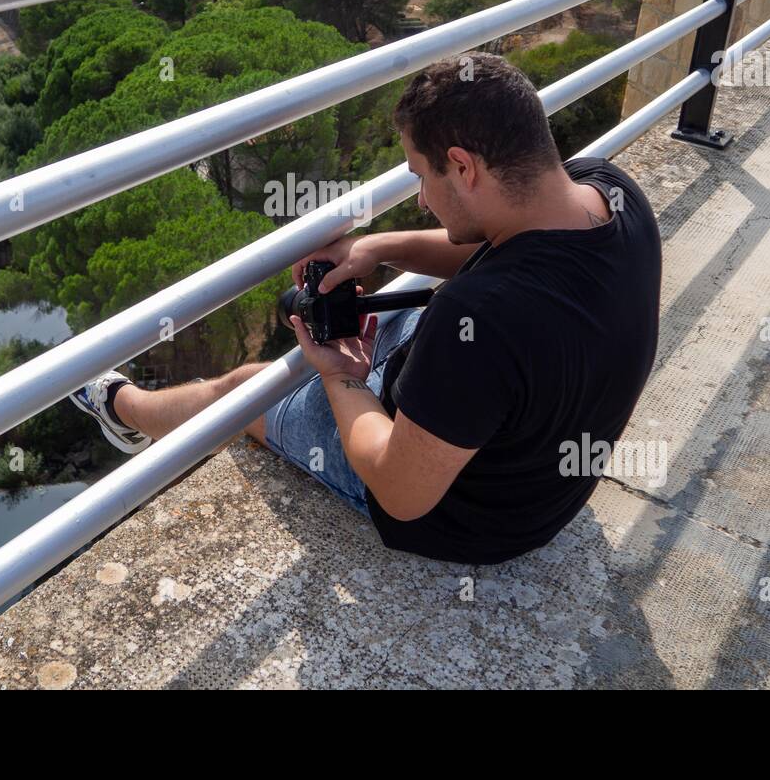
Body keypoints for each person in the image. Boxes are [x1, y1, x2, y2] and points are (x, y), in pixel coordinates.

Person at [70, 51, 662, 564]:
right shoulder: (609, 192)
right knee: (376, 317)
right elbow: (501, 255)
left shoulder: (482, 318)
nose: (423, 200)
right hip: (539, 470)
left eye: (422, 177)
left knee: (250, 387)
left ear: (464, 166)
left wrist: (342, 380)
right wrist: (375, 247)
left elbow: (401, 493)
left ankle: (122, 406)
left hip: (471, 518)